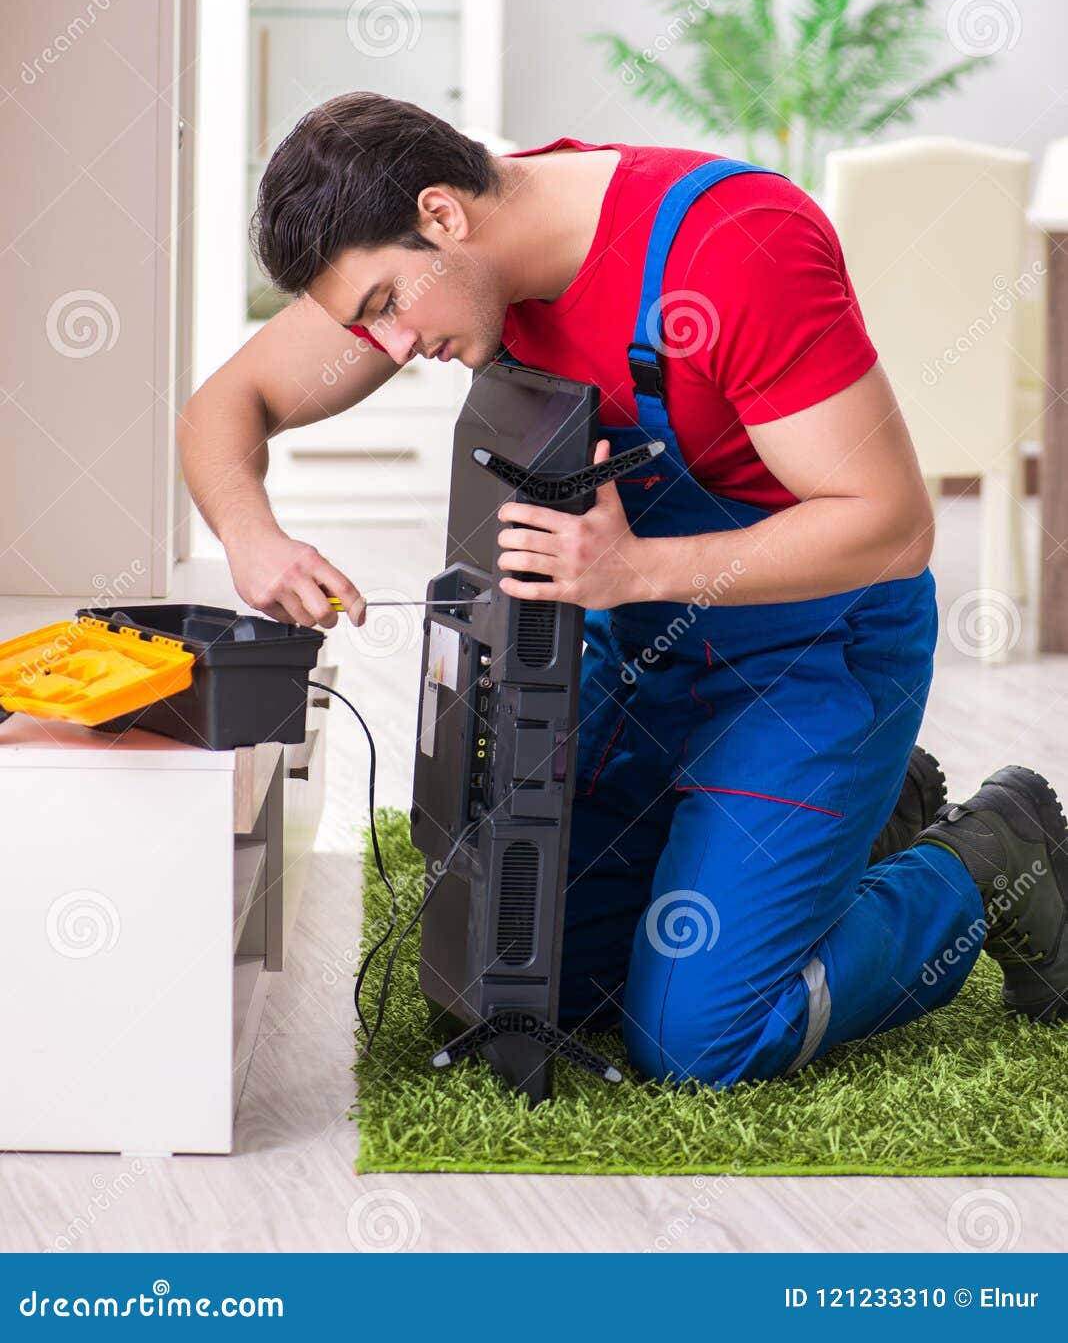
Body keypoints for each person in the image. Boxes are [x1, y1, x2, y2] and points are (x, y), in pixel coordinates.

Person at [178, 91, 1068, 1087]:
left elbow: (896, 524)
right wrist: (253, 538)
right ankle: (855, 825)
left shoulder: (734, 251)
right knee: (506, 978)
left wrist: (636, 569)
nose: (386, 349)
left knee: (698, 1042)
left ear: (441, 215)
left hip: (814, 662)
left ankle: (982, 863)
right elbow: (228, 405)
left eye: (386, 304)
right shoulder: (441, 259)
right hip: (649, 663)